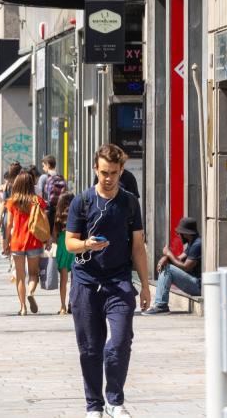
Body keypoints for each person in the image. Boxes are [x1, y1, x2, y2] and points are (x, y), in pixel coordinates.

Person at [65, 144, 150, 418]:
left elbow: (138, 246)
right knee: (90, 348)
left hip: (119, 281)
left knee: (120, 340)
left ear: (121, 170)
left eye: (114, 172)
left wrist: (146, 285)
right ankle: (94, 406)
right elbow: (69, 243)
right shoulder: (82, 201)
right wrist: (87, 244)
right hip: (86, 282)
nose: (109, 178)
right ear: (95, 170)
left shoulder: (129, 203)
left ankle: (114, 399)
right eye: (103, 172)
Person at [6, 170, 47, 315]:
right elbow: (43, 221)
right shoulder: (37, 200)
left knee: (20, 275)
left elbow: (9, 224)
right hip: (34, 241)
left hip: (17, 242)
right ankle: (31, 292)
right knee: (34, 274)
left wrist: (6, 242)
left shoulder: (12, 202)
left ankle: (23, 307)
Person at [145, 216, 202, 314]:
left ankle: (161, 305)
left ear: (186, 233)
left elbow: (186, 266)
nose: (179, 235)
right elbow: (179, 258)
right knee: (166, 265)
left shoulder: (197, 244)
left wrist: (168, 254)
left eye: (179, 233)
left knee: (168, 269)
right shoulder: (192, 242)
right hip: (195, 283)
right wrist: (166, 258)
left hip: (198, 286)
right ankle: (160, 305)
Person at [54, 191, 76, 315]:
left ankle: (62, 306)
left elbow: (54, 235)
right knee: (74, 278)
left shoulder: (58, 217)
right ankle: (72, 303)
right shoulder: (76, 214)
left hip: (62, 247)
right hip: (73, 245)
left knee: (63, 279)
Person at [0, 162, 22, 259]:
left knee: (9, 234)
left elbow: (3, 203)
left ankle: (11, 256)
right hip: (21, 214)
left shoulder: (7, 186)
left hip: (10, 213)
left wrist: (0, 216)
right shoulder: (23, 182)